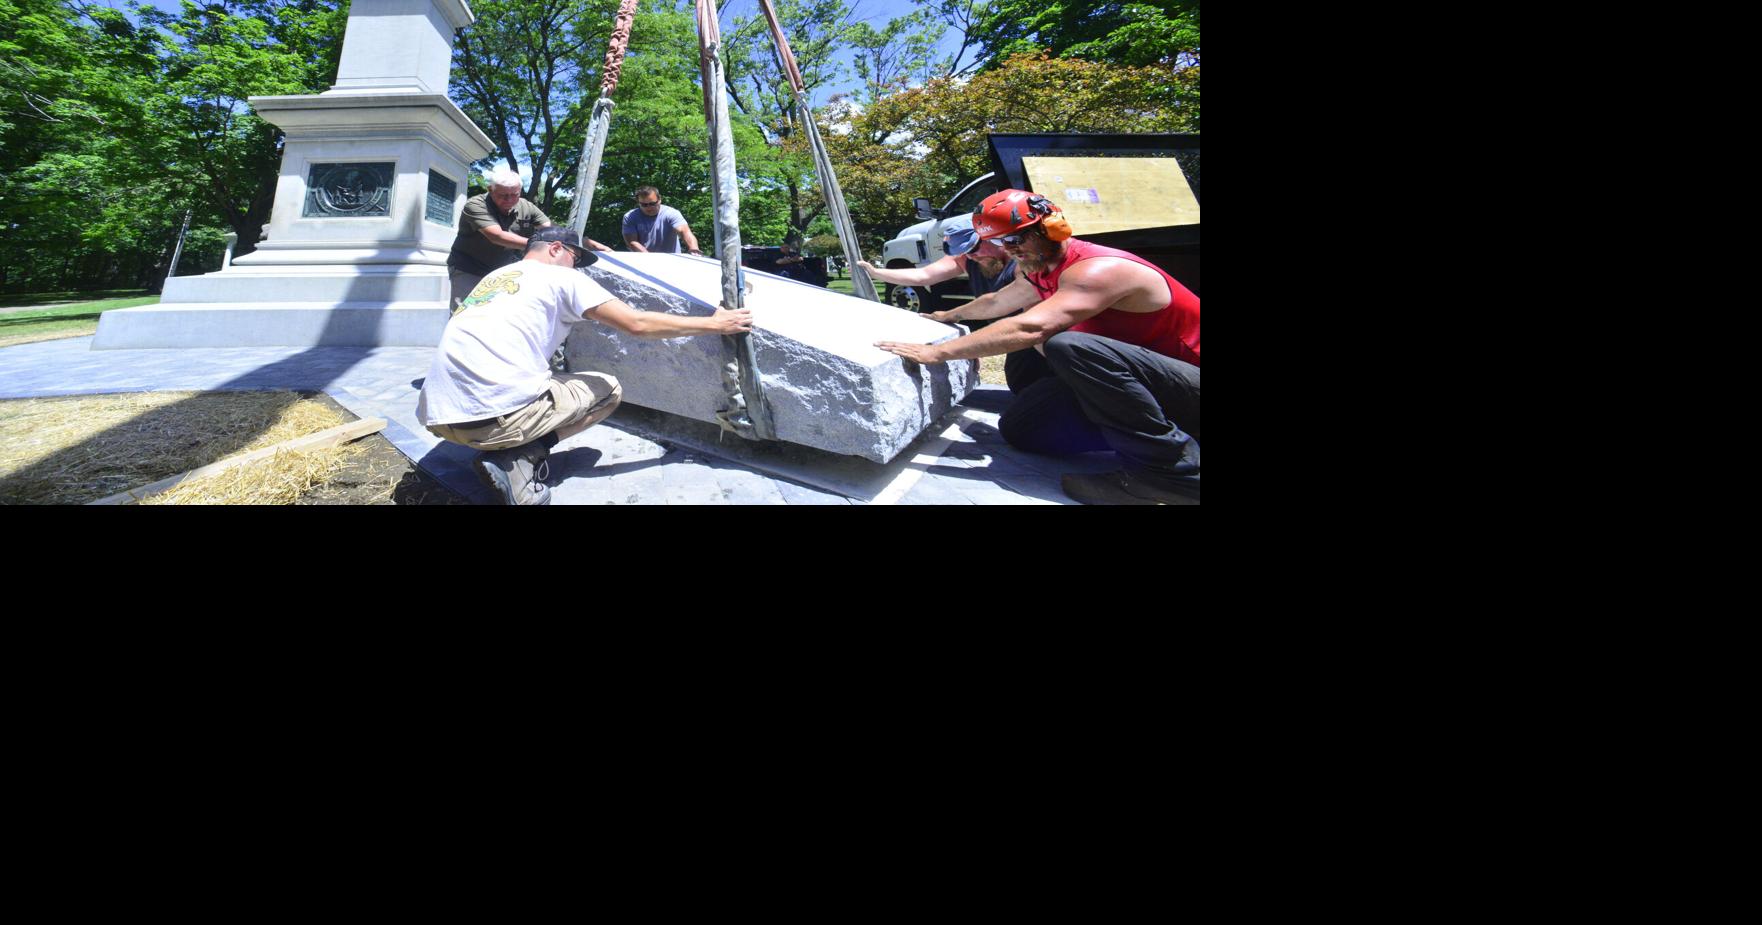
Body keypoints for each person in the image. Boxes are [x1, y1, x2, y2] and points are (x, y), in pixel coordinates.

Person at [874, 189, 1200, 505]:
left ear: (1051, 228)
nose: (1009, 250)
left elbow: (1031, 327)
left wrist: (937, 353)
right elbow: (997, 302)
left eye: (1015, 239)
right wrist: (946, 315)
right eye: (999, 242)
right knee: (1021, 429)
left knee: (1064, 344)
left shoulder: (1099, 269)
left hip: (1190, 385)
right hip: (1143, 386)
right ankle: (1147, 433)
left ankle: (1170, 474)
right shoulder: (1042, 270)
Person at [417, 227, 751, 505]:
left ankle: (506, 441)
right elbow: (636, 324)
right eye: (575, 259)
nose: (577, 269)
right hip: (489, 422)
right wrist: (715, 324)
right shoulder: (563, 278)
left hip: (438, 418)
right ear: (556, 249)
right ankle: (519, 460)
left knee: (546, 379)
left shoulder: (496, 277)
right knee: (609, 389)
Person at [446, 166, 608, 313]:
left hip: (503, 272)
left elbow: (553, 230)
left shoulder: (526, 206)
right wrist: (539, 245)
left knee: (498, 316)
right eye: (503, 195)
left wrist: (584, 242)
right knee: (464, 314)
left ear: (520, 191)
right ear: (490, 189)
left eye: (514, 195)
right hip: (468, 269)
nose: (509, 200)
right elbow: (497, 236)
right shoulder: (475, 205)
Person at [622, 186, 703, 255]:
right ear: (638, 202)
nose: (649, 207)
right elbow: (632, 242)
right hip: (643, 259)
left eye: (652, 203)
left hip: (672, 259)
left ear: (660, 199)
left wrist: (694, 249)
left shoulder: (671, 213)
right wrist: (650, 258)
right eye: (644, 205)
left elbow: (684, 231)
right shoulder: (630, 216)